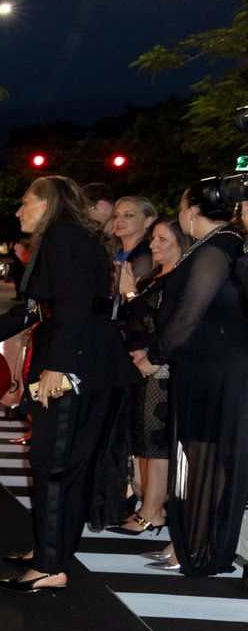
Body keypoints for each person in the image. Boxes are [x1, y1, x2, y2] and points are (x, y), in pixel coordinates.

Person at [0, 176, 139, 593]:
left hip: (75, 369)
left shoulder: (63, 237)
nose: (18, 212)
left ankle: (51, 565)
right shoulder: (69, 238)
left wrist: (59, 367)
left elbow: (74, 307)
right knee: (62, 467)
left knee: (54, 466)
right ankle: (50, 551)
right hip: (88, 365)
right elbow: (38, 308)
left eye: (25, 203)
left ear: (48, 204)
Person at [129, 180, 248, 578]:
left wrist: (156, 356)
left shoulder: (219, 246)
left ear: (193, 211)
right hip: (205, 365)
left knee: (207, 458)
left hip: (218, 369)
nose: (180, 215)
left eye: (181, 207)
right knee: (200, 458)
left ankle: (200, 546)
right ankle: (191, 540)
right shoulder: (215, 245)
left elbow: (190, 313)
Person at [110, 217, 189, 539]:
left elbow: (162, 328)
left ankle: (152, 512)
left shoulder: (181, 279)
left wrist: (130, 295)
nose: (153, 246)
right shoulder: (159, 276)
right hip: (140, 365)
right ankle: (148, 505)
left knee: (155, 446)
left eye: (162, 240)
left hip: (161, 370)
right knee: (141, 442)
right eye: (153, 239)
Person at [110, 195, 157, 287]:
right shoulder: (113, 252)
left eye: (128, 215)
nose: (118, 220)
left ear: (148, 221)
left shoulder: (146, 257)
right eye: (115, 216)